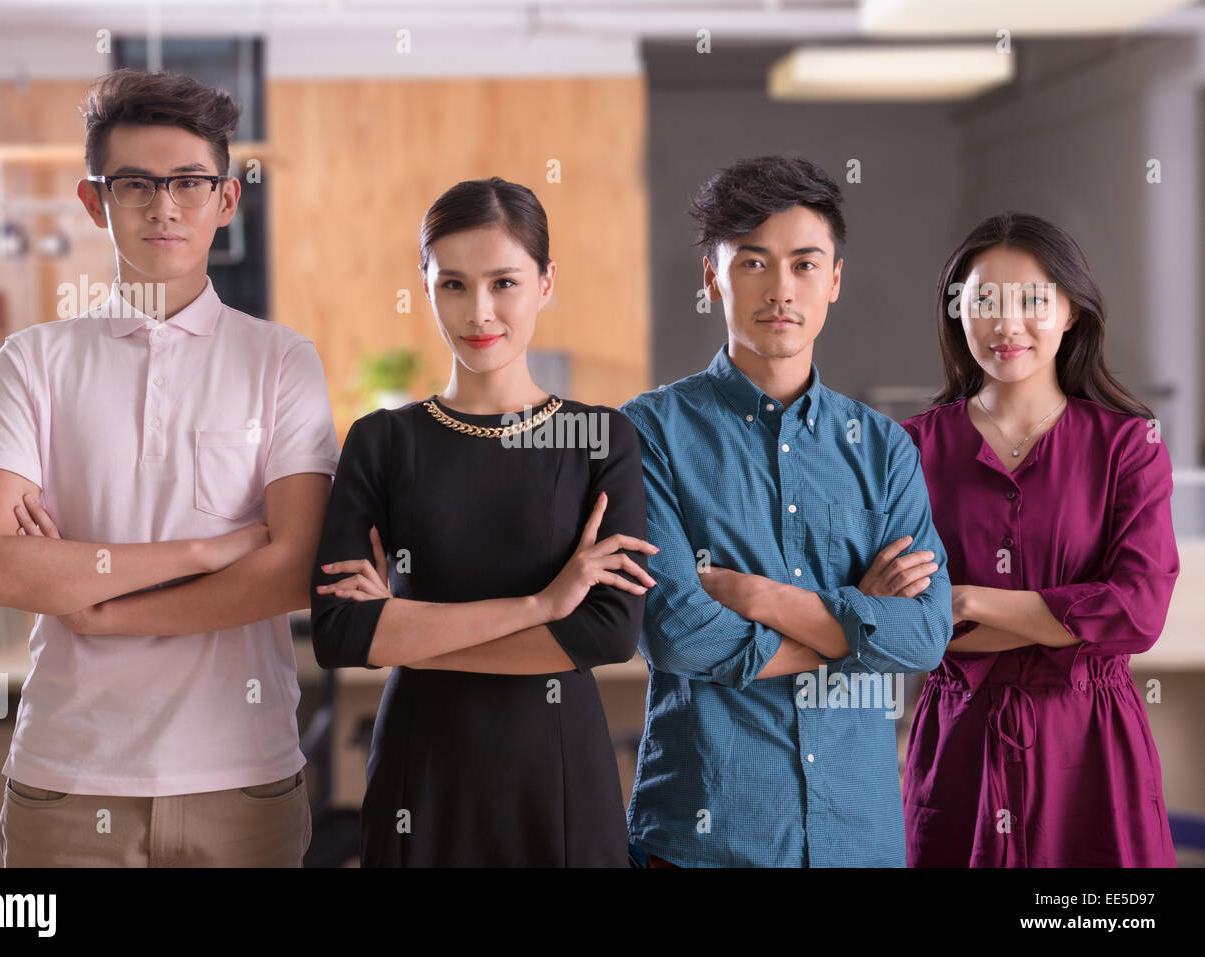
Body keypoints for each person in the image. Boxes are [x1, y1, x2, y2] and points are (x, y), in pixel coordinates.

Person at [0, 69, 338, 866]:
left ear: (226, 201)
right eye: (135, 184)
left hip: (243, 782)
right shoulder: (32, 361)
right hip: (66, 780)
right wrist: (209, 550)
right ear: (95, 202)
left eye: (189, 182)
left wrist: (102, 607)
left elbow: (295, 567)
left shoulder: (282, 362)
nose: (164, 207)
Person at [310, 176, 654, 867]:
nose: (480, 311)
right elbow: (341, 632)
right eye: (454, 285)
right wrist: (541, 606)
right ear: (426, 285)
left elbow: (608, 633)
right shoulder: (382, 441)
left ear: (546, 283)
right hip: (423, 770)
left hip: (556, 772)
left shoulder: (600, 438)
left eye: (504, 283)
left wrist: (403, 635)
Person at [619, 155, 952, 867]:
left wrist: (759, 597)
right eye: (753, 263)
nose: (781, 290)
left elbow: (925, 635)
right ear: (712, 277)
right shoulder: (648, 432)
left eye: (805, 264)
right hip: (710, 838)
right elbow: (677, 633)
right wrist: (855, 625)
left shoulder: (884, 448)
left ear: (835, 279)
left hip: (858, 838)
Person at [900, 211, 1179, 867]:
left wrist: (967, 602)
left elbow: (1138, 612)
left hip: (1092, 748)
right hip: (959, 745)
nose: (1008, 324)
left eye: (1032, 299)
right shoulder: (908, 449)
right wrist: (1067, 623)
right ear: (957, 312)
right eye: (984, 302)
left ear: (1071, 310)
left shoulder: (1129, 446)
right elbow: (903, 622)